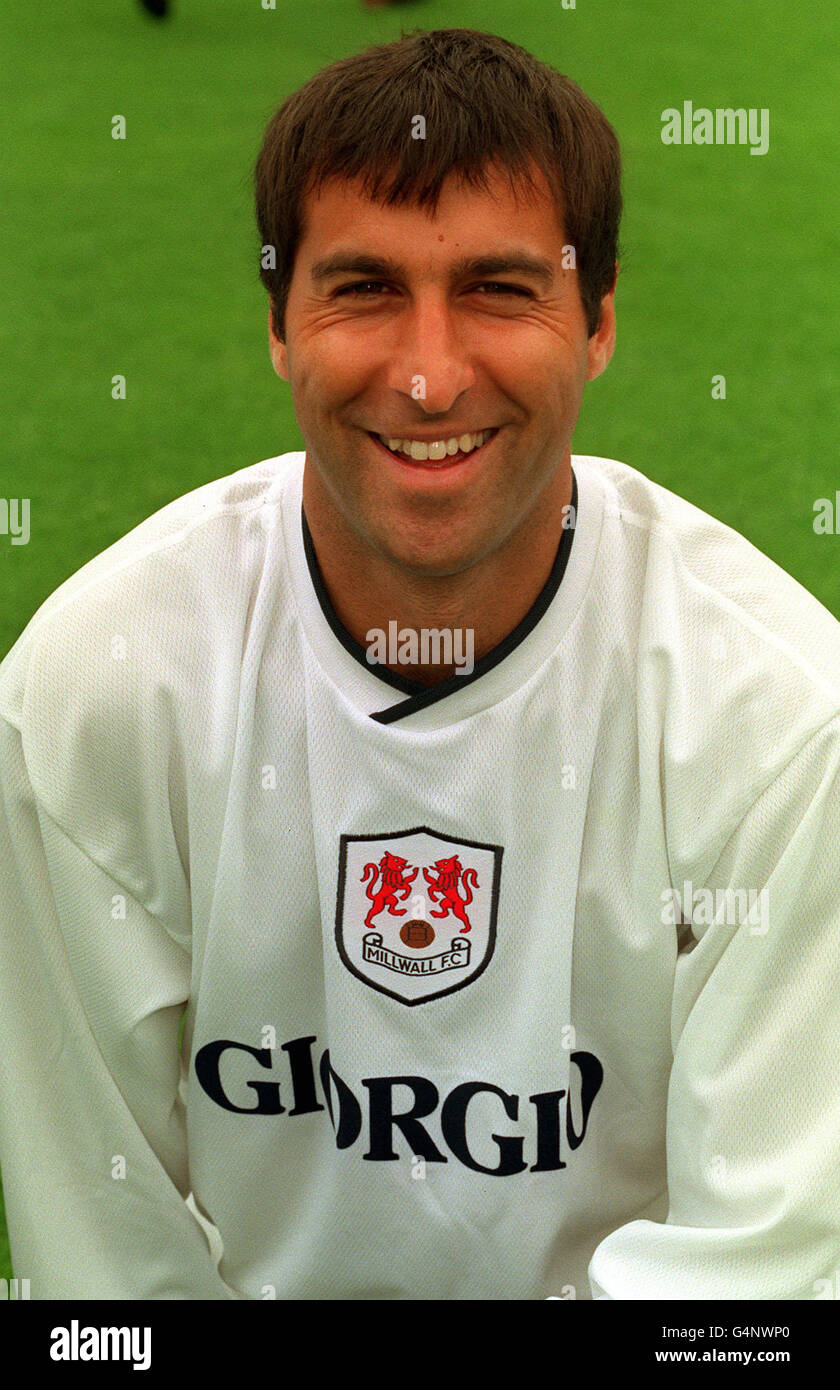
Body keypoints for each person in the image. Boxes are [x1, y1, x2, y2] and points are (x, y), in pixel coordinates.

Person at [1, 26, 839, 1302]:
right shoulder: (93, 691)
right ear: (280, 325)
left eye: (501, 290)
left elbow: (748, 1290)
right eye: (365, 289)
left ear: (600, 321)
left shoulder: (783, 719)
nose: (431, 376)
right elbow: (100, 1267)